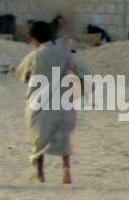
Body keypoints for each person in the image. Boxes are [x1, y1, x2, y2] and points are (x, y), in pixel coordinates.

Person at [16, 18, 91, 184]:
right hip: (63, 106)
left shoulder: (34, 56)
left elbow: (21, 74)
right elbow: (84, 72)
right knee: (64, 138)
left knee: (38, 138)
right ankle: (66, 170)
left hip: (39, 107)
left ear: (34, 39)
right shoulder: (65, 54)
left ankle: (40, 174)